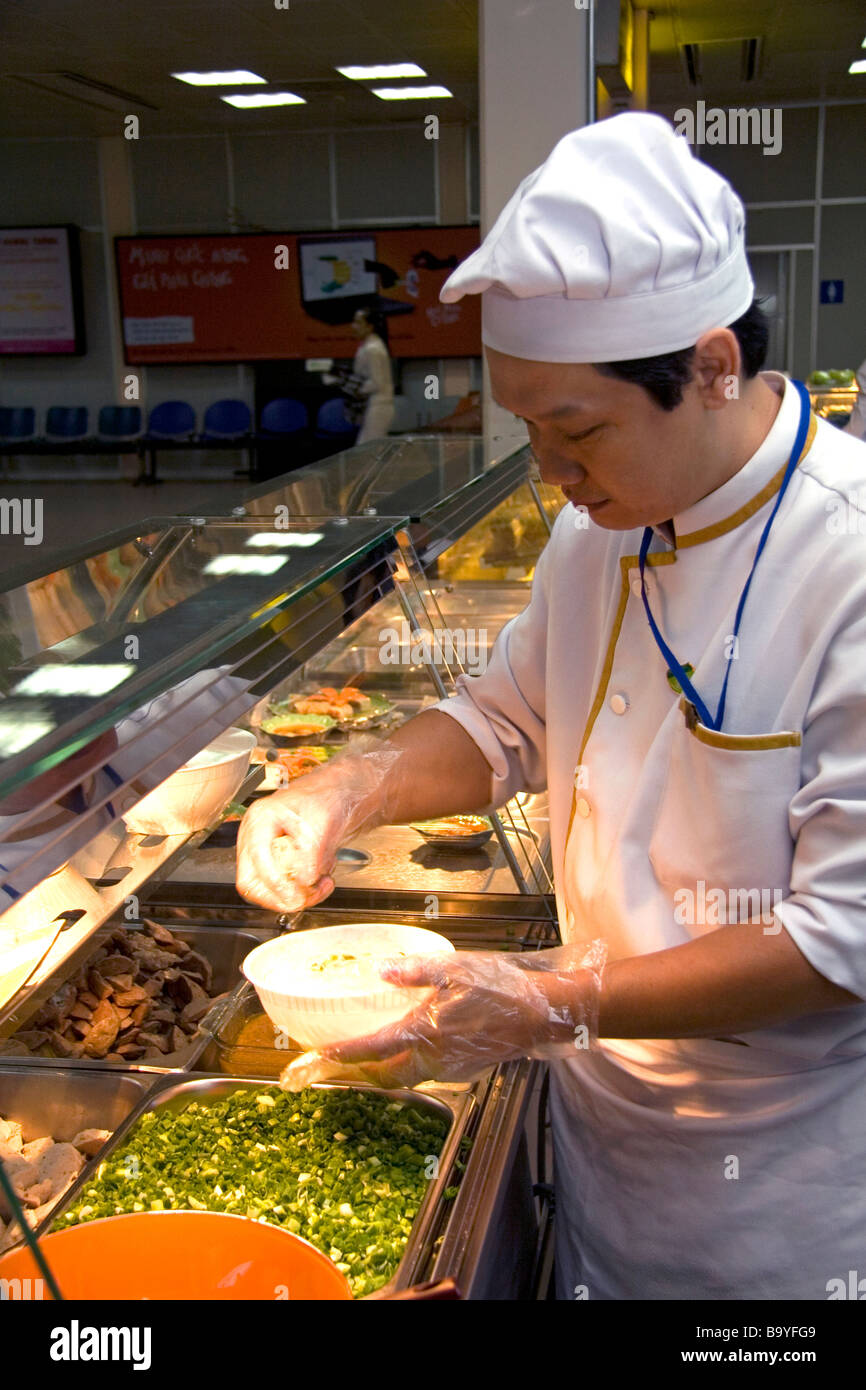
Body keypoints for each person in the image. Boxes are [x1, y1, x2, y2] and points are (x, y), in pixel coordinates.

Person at [236, 113, 866, 1300]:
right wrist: (347, 780)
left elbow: (840, 941)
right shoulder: (595, 535)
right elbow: (501, 721)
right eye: (529, 431)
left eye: (576, 431)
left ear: (712, 363)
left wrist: (545, 1001)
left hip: (784, 1184)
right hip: (602, 1123)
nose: (551, 475)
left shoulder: (846, 563)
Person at [348, 307, 394, 444]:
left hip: (378, 407)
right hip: (372, 407)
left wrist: (353, 387)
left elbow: (376, 383)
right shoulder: (368, 346)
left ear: (369, 326)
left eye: (358, 322)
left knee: (368, 452)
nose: (353, 326)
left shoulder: (372, 349)